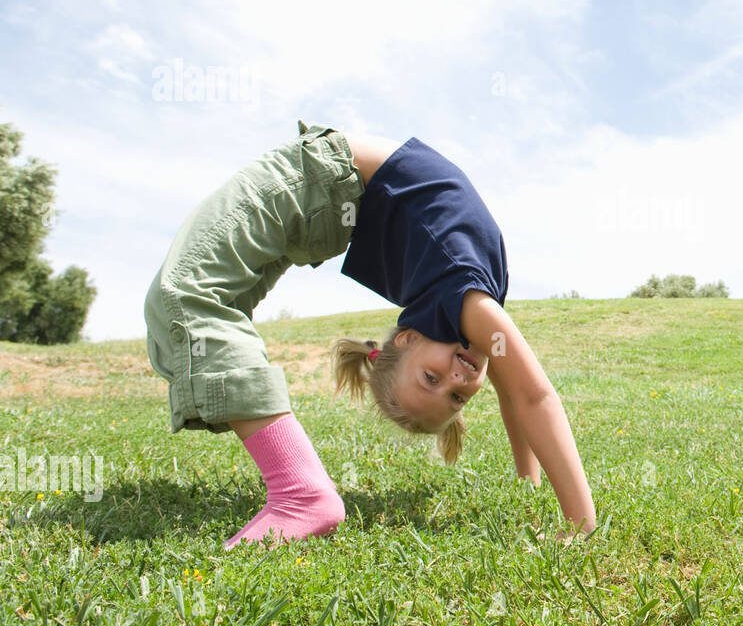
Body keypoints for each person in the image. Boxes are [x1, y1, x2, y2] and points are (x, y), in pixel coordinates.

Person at [143, 119, 597, 550]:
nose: (457, 381)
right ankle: (299, 489)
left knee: (185, 295)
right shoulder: (470, 307)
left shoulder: (468, 314)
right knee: (188, 296)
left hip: (323, 194)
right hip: (325, 181)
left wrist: (546, 498)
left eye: (438, 385)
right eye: (445, 391)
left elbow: (517, 395)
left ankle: (301, 494)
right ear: (405, 339)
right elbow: (525, 396)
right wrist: (571, 515)